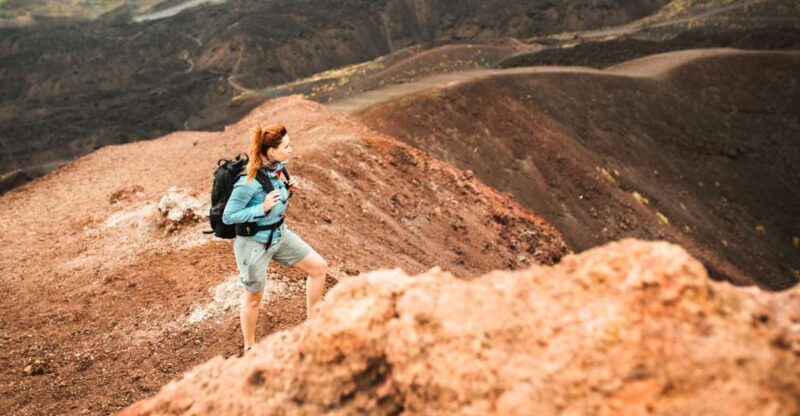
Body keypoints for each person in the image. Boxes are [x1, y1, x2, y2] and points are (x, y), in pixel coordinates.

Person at [222, 122, 328, 354]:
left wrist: (287, 191)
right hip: (253, 245)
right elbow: (228, 216)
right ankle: (250, 347)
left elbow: (276, 199)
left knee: (319, 268)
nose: (291, 149)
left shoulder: (277, 170)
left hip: (279, 235)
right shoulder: (246, 182)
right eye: (286, 146)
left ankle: (313, 326)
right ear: (271, 152)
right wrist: (261, 208)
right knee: (254, 297)